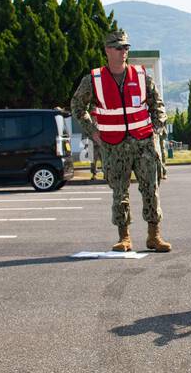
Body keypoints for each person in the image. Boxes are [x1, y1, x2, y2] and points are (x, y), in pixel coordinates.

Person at [71, 29, 172, 253]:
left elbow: (158, 105)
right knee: (119, 192)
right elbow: (77, 107)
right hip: (113, 145)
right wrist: (93, 132)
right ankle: (124, 237)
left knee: (151, 189)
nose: (123, 51)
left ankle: (154, 235)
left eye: (126, 47)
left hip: (143, 142)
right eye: (118, 47)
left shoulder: (141, 75)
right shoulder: (93, 80)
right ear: (107, 50)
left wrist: (155, 129)